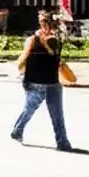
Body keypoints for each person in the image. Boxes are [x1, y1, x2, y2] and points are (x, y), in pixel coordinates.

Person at [9, 11, 73, 151]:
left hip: (52, 81)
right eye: (45, 25)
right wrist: (20, 66)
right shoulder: (33, 40)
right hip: (35, 81)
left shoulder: (57, 39)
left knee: (57, 114)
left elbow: (57, 59)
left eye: (50, 25)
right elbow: (23, 57)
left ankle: (63, 142)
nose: (48, 29)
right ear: (41, 24)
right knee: (29, 110)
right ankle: (17, 131)